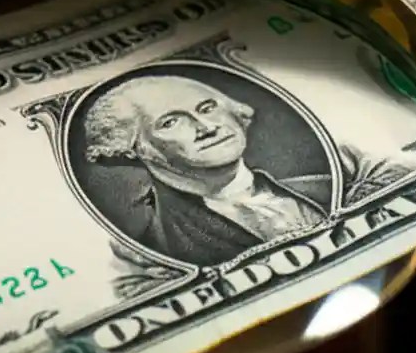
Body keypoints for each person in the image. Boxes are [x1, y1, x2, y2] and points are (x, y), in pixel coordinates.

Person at [83, 74, 341, 265]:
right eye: (171, 122)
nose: (206, 127)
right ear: (132, 149)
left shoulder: (325, 188)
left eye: (207, 108)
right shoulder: (158, 251)